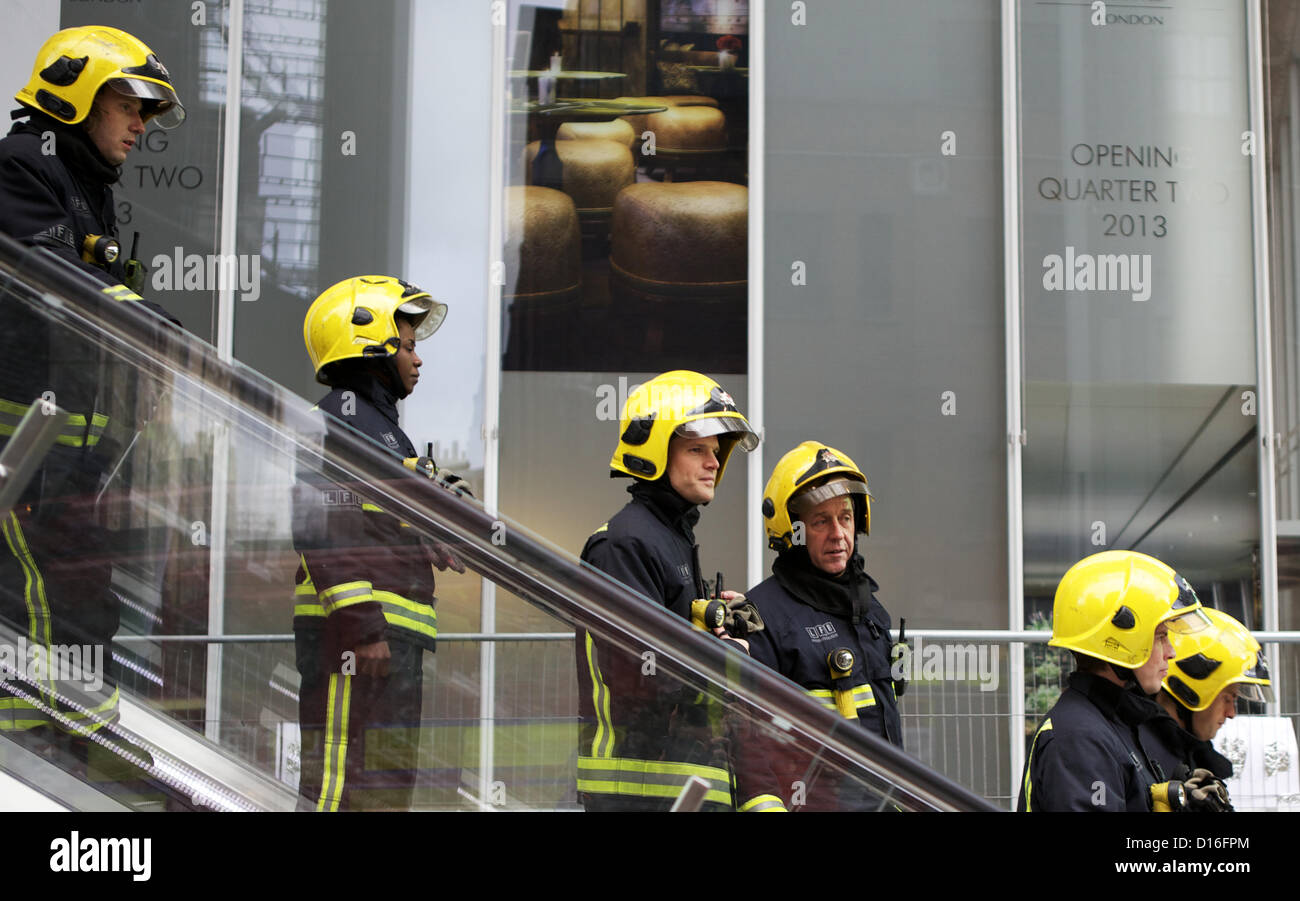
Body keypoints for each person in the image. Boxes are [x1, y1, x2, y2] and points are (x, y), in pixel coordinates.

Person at [0, 25, 184, 748]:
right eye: (128, 104)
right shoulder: (20, 165)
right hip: (17, 459)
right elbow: (59, 285)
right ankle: (35, 758)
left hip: (62, 463)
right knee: (36, 610)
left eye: (148, 111)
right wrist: (153, 330)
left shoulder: (80, 187)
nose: (142, 125)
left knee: (81, 610)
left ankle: (75, 754)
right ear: (76, 95)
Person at [294, 274, 468, 811]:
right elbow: (321, 524)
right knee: (343, 783)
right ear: (369, 342)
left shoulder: (383, 431)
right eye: (409, 345)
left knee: (384, 789)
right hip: (357, 640)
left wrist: (425, 532)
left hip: (389, 642)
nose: (418, 360)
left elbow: (369, 524)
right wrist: (364, 627)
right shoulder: (340, 420)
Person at [575, 369, 758, 811]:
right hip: (641, 790)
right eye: (698, 449)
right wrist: (724, 659)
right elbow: (640, 676)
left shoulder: (667, 537)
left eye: (715, 451)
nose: (714, 462)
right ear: (655, 448)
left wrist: (711, 625)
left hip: (678, 785)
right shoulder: (625, 543)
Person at [735, 441, 902, 812]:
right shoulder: (760, 615)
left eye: (845, 517)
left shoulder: (871, 611)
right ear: (791, 532)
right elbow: (748, 737)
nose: (838, 534)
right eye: (820, 521)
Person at [1018, 550, 1217, 812]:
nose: (1171, 652)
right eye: (1160, 637)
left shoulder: (1114, 722)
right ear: (1121, 642)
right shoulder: (1080, 739)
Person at [1138, 607, 1273, 811]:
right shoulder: (1145, 755)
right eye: (1227, 698)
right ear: (1189, 691)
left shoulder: (1188, 751)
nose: (1231, 713)